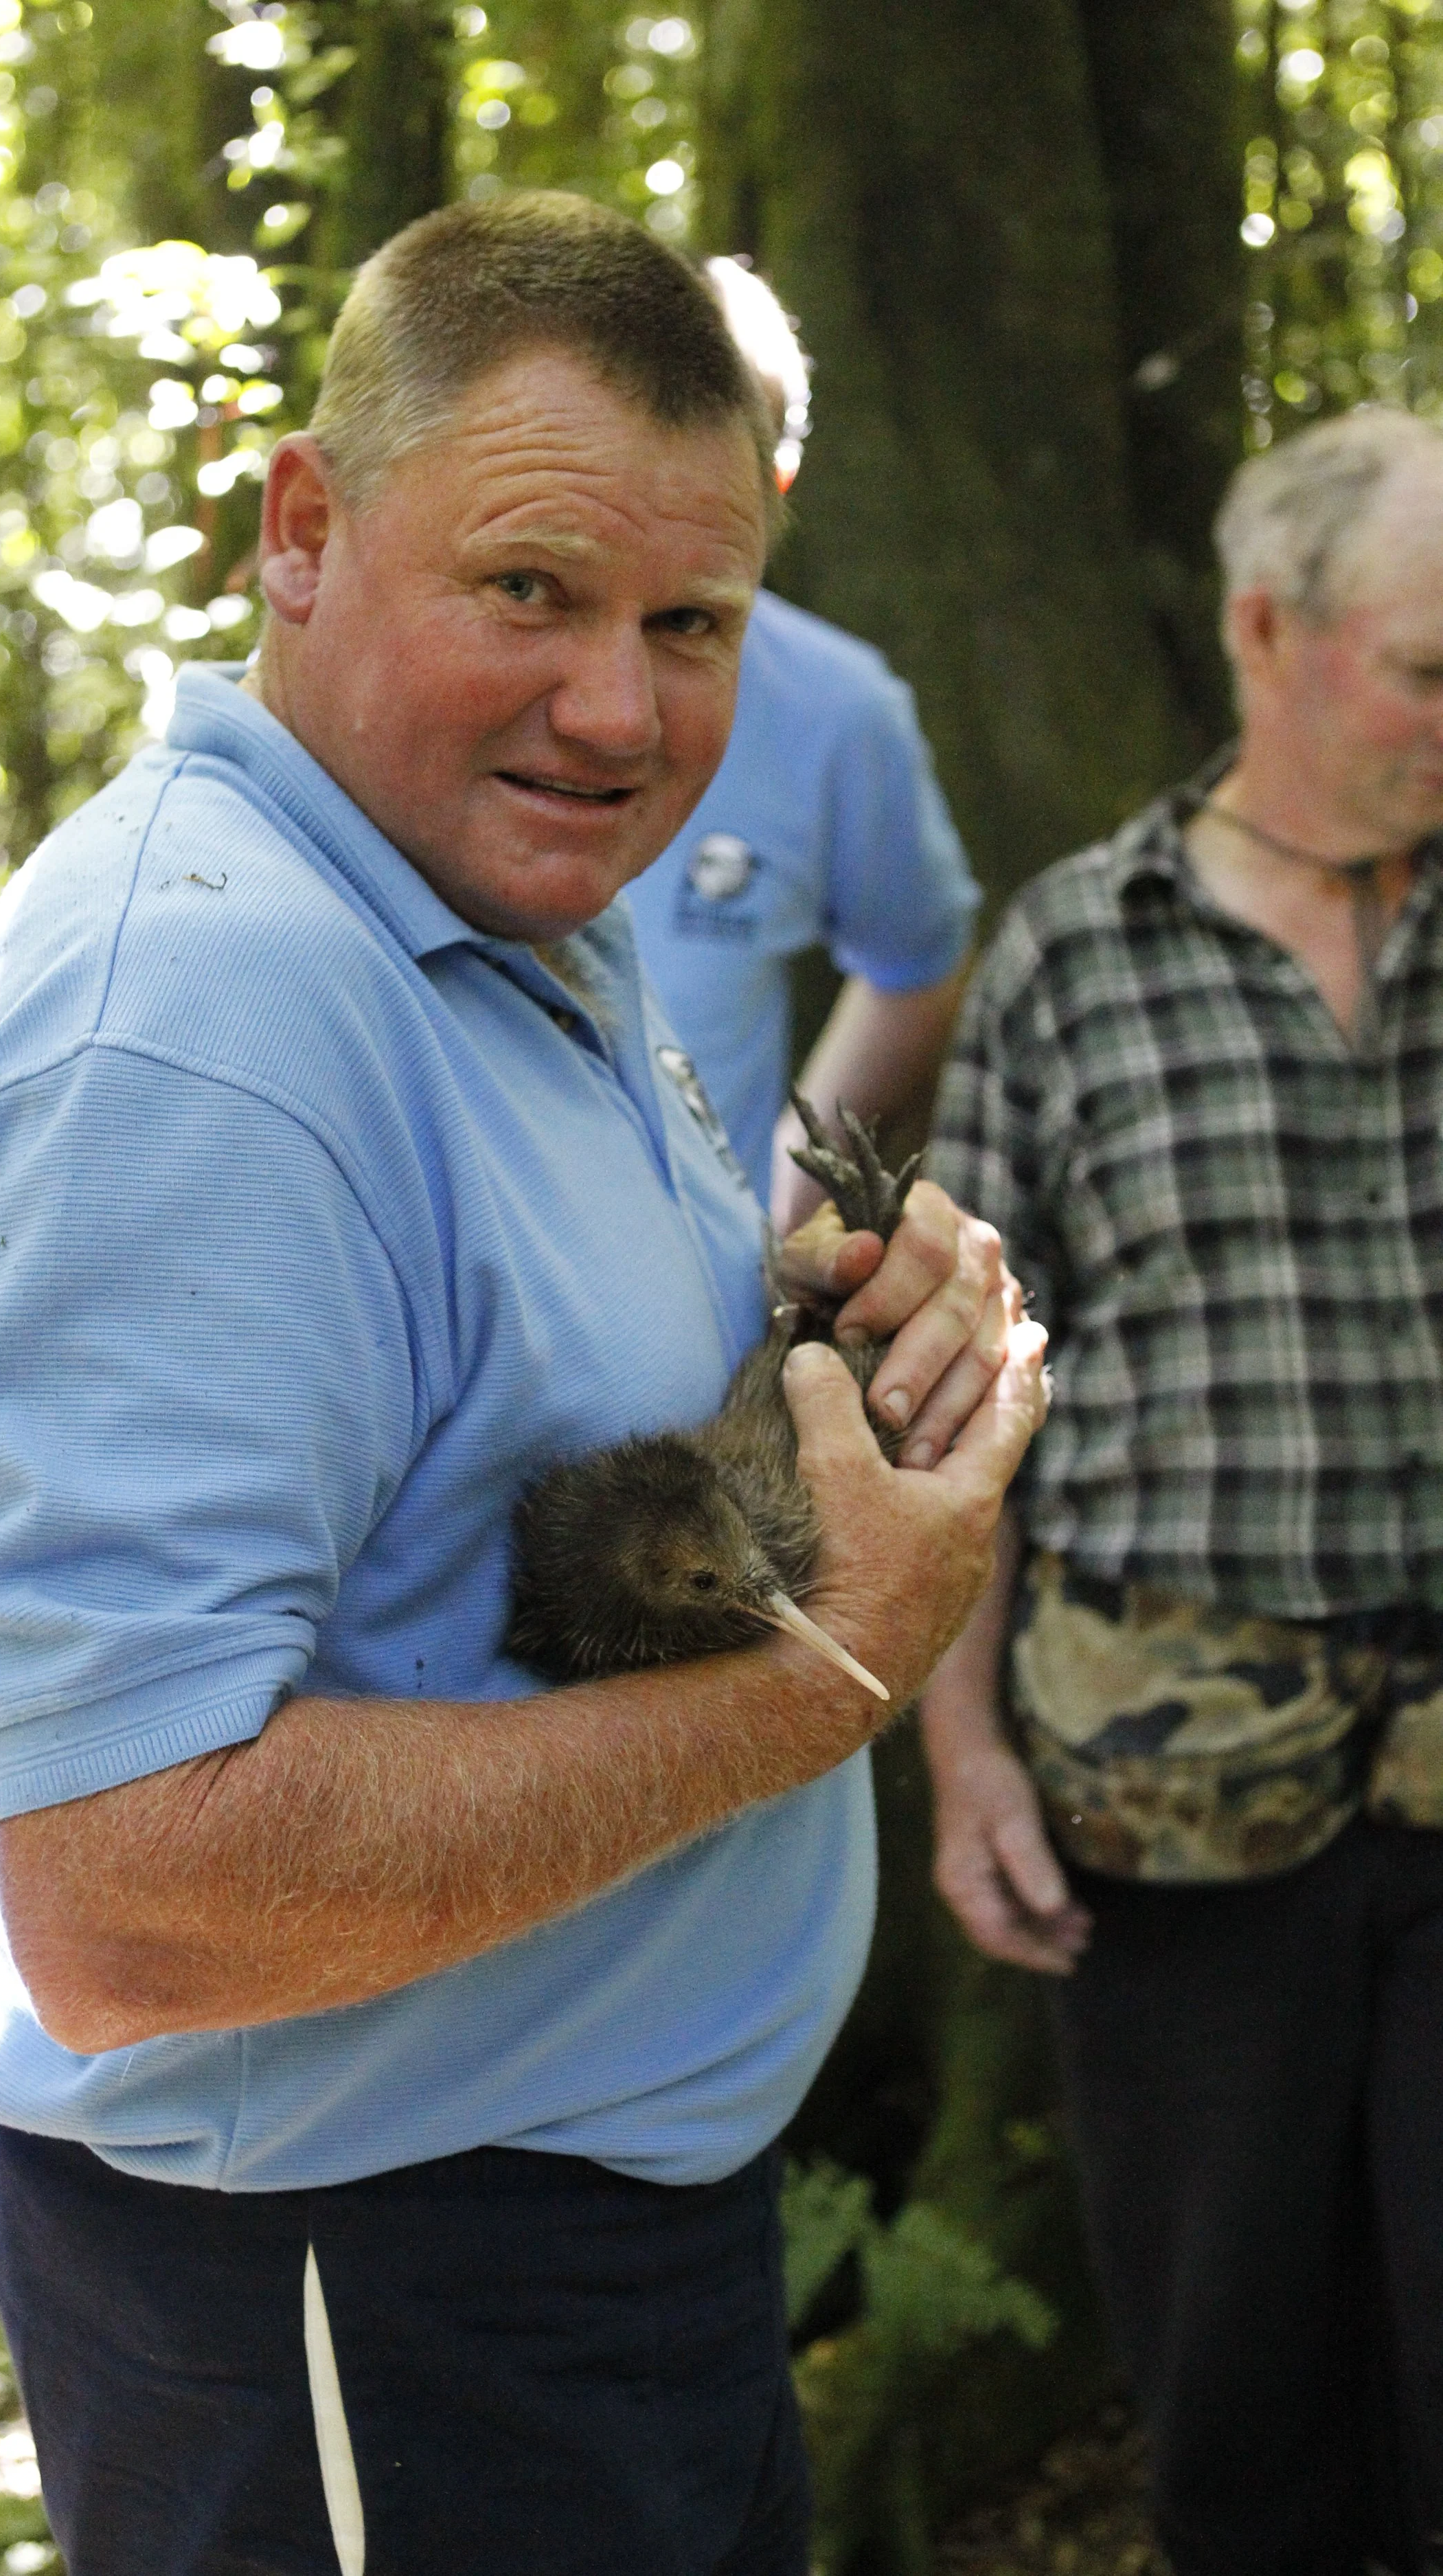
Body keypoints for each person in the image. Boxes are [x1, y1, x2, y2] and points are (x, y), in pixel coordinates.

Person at [0, 192, 1047, 2576]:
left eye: (690, 625)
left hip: (579, 2279)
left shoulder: (492, 907)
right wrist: (840, 1674)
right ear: (304, 532)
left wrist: (826, 1344)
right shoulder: (203, 1027)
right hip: (368, 2301)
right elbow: (130, 1897)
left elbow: (486, 1462)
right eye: (530, 590)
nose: (621, 708)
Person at [920, 406, 1443, 2576]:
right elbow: (940, 1404)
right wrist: (958, 1759)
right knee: (1239, 2417)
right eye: (1426, 666)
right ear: (1266, 631)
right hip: (1170, 1810)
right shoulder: (1071, 953)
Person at [620, 260, 979, 1225]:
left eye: (745, 441)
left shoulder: (834, 705)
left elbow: (918, 959)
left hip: (706, 1287)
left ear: (783, 474)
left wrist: (794, 1170)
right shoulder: (471, 663)